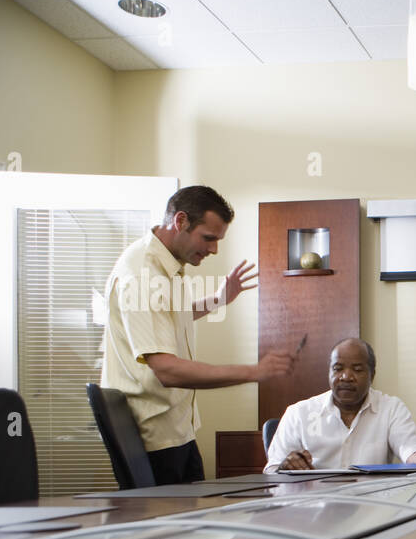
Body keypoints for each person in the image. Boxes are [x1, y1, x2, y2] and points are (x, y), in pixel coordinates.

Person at [100, 185, 296, 484]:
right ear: (180, 221)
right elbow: (166, 370)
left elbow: (166, 319)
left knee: (194, 518)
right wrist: (254, 372)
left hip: (177, 429)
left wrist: (218, 300)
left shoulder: (166, 265)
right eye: (209, 238)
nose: (214, 249)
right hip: (154, 438)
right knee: (170, 528)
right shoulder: (142, 275)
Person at [264, 338, 416, 472]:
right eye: (337, 369)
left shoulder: (391, 408)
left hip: (371, 509)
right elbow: (272, 469)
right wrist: (285, 466)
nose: (346, 377)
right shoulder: (298, 413)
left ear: (372, 374)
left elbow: (411, 450)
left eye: (357, 369)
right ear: (329, 372)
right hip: (311, 509)